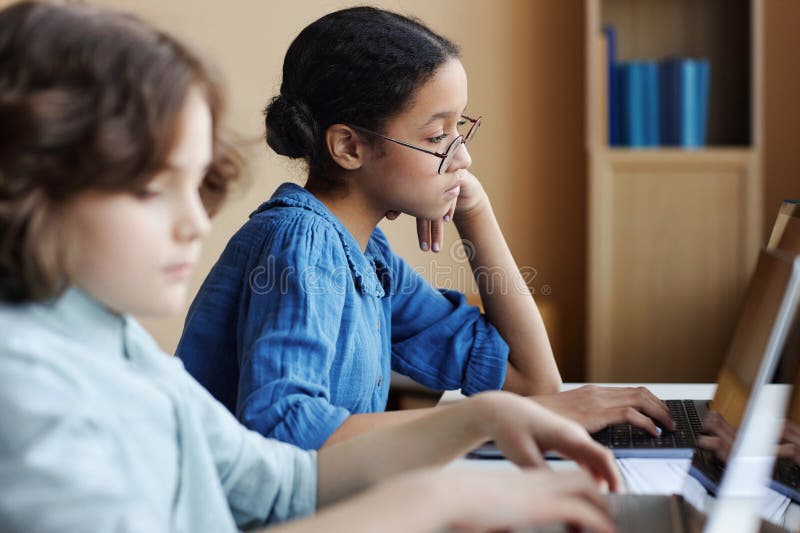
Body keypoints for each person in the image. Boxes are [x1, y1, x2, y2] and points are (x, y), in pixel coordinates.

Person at [0, 3, 621, 532]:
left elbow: (277, 478)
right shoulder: (28, 390)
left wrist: (489, 415)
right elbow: (285, 437)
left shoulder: (114, 341)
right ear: (30, 183)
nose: (195, 222)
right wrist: (438, 493)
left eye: (197, 186)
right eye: (152, 189)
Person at [177, 5, 675, 451]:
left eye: (460, 129)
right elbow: (283, 428)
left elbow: (531, 383)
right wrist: (489, 418)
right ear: (349, 147)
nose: (463, 155)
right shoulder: (302, 245)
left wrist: (474, 212)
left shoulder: (368, 259)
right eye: (438, 136)